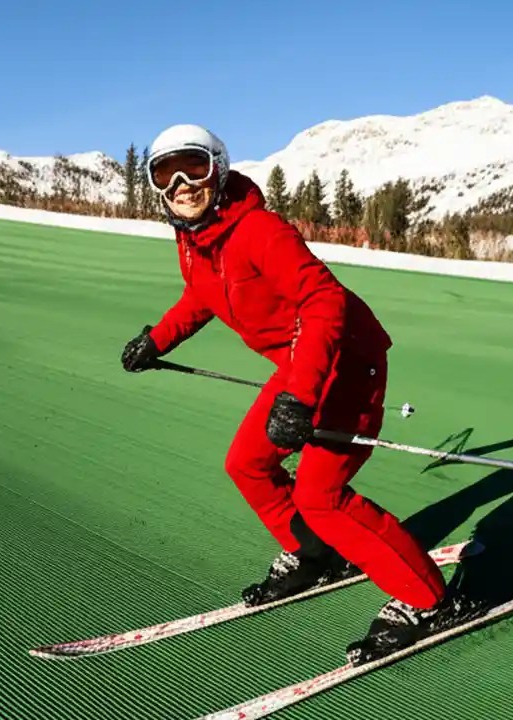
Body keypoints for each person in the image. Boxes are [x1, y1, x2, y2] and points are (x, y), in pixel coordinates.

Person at [120, 123, 468, 665]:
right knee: (248, 464)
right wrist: (156, 338)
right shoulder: (194, 243)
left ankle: (429, 599)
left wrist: (301, 397)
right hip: (300, 364)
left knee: (320, 494)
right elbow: (202, 296)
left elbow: (325, 303)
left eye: (195, 167)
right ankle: (316, 553)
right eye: (166, 174)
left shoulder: (259, 231)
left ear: (220, 166)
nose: (183, 184)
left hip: (347, 362)